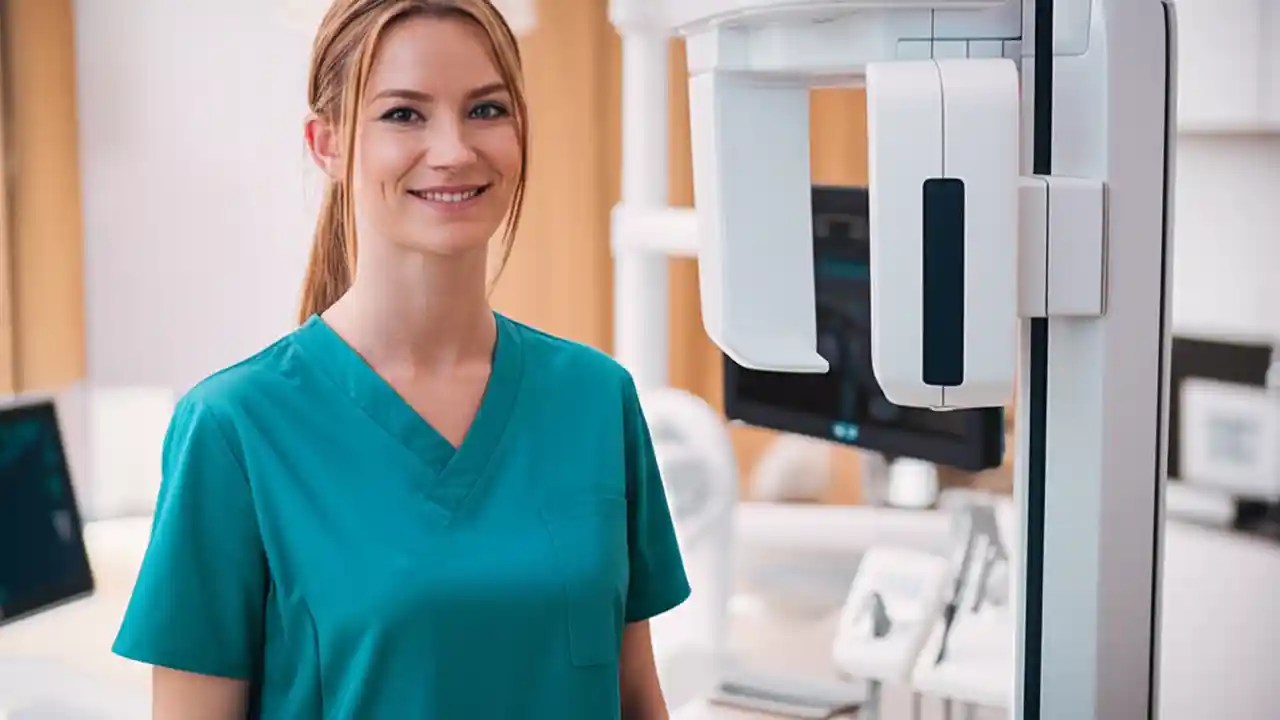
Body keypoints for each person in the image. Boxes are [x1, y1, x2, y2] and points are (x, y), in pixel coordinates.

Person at [111, 1, 692, 717]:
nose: (452, 149)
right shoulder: (234, 430)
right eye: (403, 115)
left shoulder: (597, 400)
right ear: (326, 143)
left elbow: (636, 695)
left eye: (485, 109)